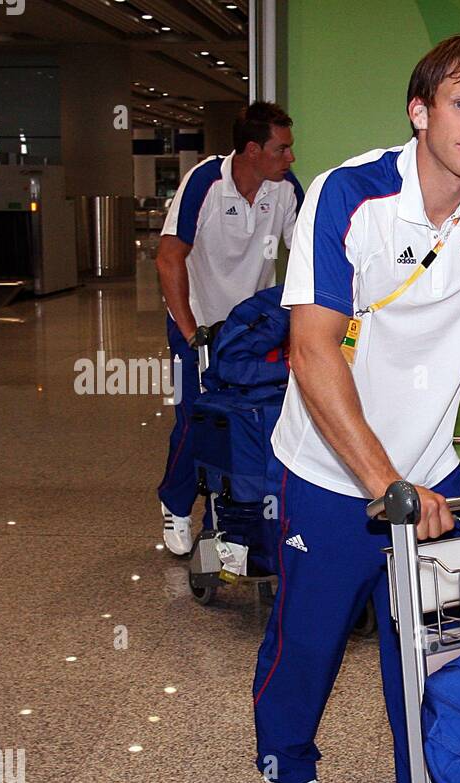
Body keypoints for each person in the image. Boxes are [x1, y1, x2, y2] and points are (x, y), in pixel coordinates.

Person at [254, 34, 460, 783]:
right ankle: (286, 765)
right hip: (332, 473)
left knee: (435, 657)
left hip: (434, 474)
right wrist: (382, 484)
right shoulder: (347, 196)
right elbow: (311, 346)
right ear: (419, 111)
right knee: (311, 640)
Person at [155, 101, 303, 554]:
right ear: (253, 149)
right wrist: (188, 329)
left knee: (249, 422)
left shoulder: (284, 189)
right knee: (195, 420)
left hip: (250, 331)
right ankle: (176, 505)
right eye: (282, 150)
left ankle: (235, 521)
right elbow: (169, 256)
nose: (291, 158)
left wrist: (299, 334)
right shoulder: (205, 182)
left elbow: (304, 265)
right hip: (197, 323)